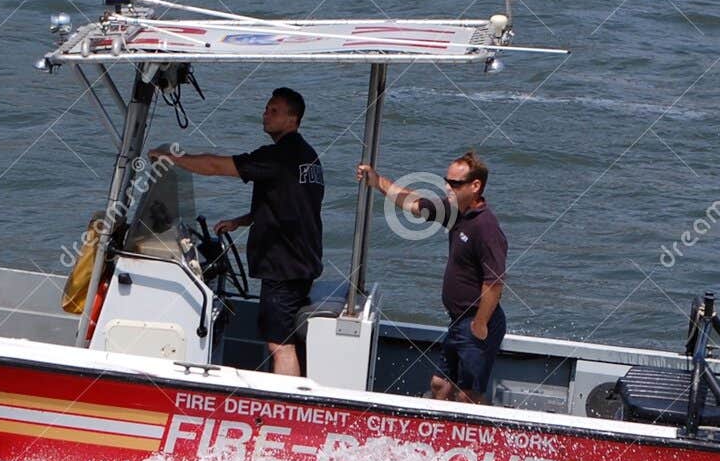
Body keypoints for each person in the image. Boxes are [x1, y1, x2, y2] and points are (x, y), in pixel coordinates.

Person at [149, 88, 324, 376]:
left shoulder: (278, 156)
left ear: (293, 118)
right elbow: (293, 204)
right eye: (267, 108)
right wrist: (242, 221)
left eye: (275, 111)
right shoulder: (307, 156)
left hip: (284, 267)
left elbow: (216, 165)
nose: (266, 115)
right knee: (283, 339)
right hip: (302, 262)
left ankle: (282, 408)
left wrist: (175, 158)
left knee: (279, 346)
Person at [357, 151, 508, 403]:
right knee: (439, 385)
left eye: (455, 183)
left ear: (475, 186)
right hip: (458, 321)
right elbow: (412, 202)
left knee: (467, 395)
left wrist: (480, 323)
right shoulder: (455, 213)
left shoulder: (486, 227)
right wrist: (377, 180)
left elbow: (494, 283)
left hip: (479, 323)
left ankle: (471, 439)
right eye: (446, 181)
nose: (448, 187)